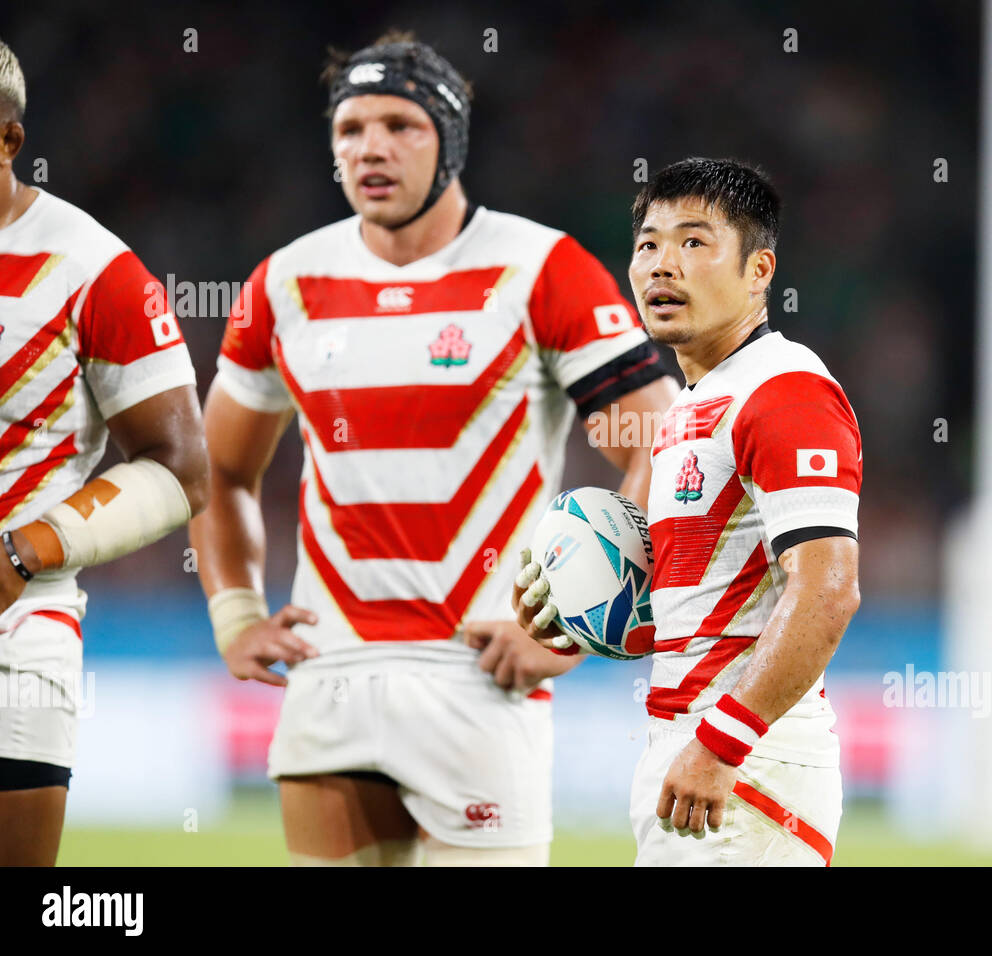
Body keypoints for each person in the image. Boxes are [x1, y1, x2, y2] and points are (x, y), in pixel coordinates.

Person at [190, 30, 676, 867]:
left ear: (448, 140)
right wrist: (234, 614)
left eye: (400, 124)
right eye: (350, 129)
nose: (370, 146)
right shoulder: (284, 283)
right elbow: (218, 469)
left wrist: (568, 634)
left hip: (480, 675)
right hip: (329, 665)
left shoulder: (539, 269)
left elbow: (658, 442)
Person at [516, 157, 862, 866]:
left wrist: (722, 741)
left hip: (746, 767)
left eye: (694, 242)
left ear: (759, 271)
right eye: (648, 245)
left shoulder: (786, 389)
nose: (661, 265)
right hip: (697, 755)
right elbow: (691, 611)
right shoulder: (691, 409)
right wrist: (577, 620)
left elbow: (828, 589)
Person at [0, 32, 208, 865]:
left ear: (9, 138)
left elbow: (182, 471)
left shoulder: (94, 268)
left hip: (12, 638)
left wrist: (20, 553)